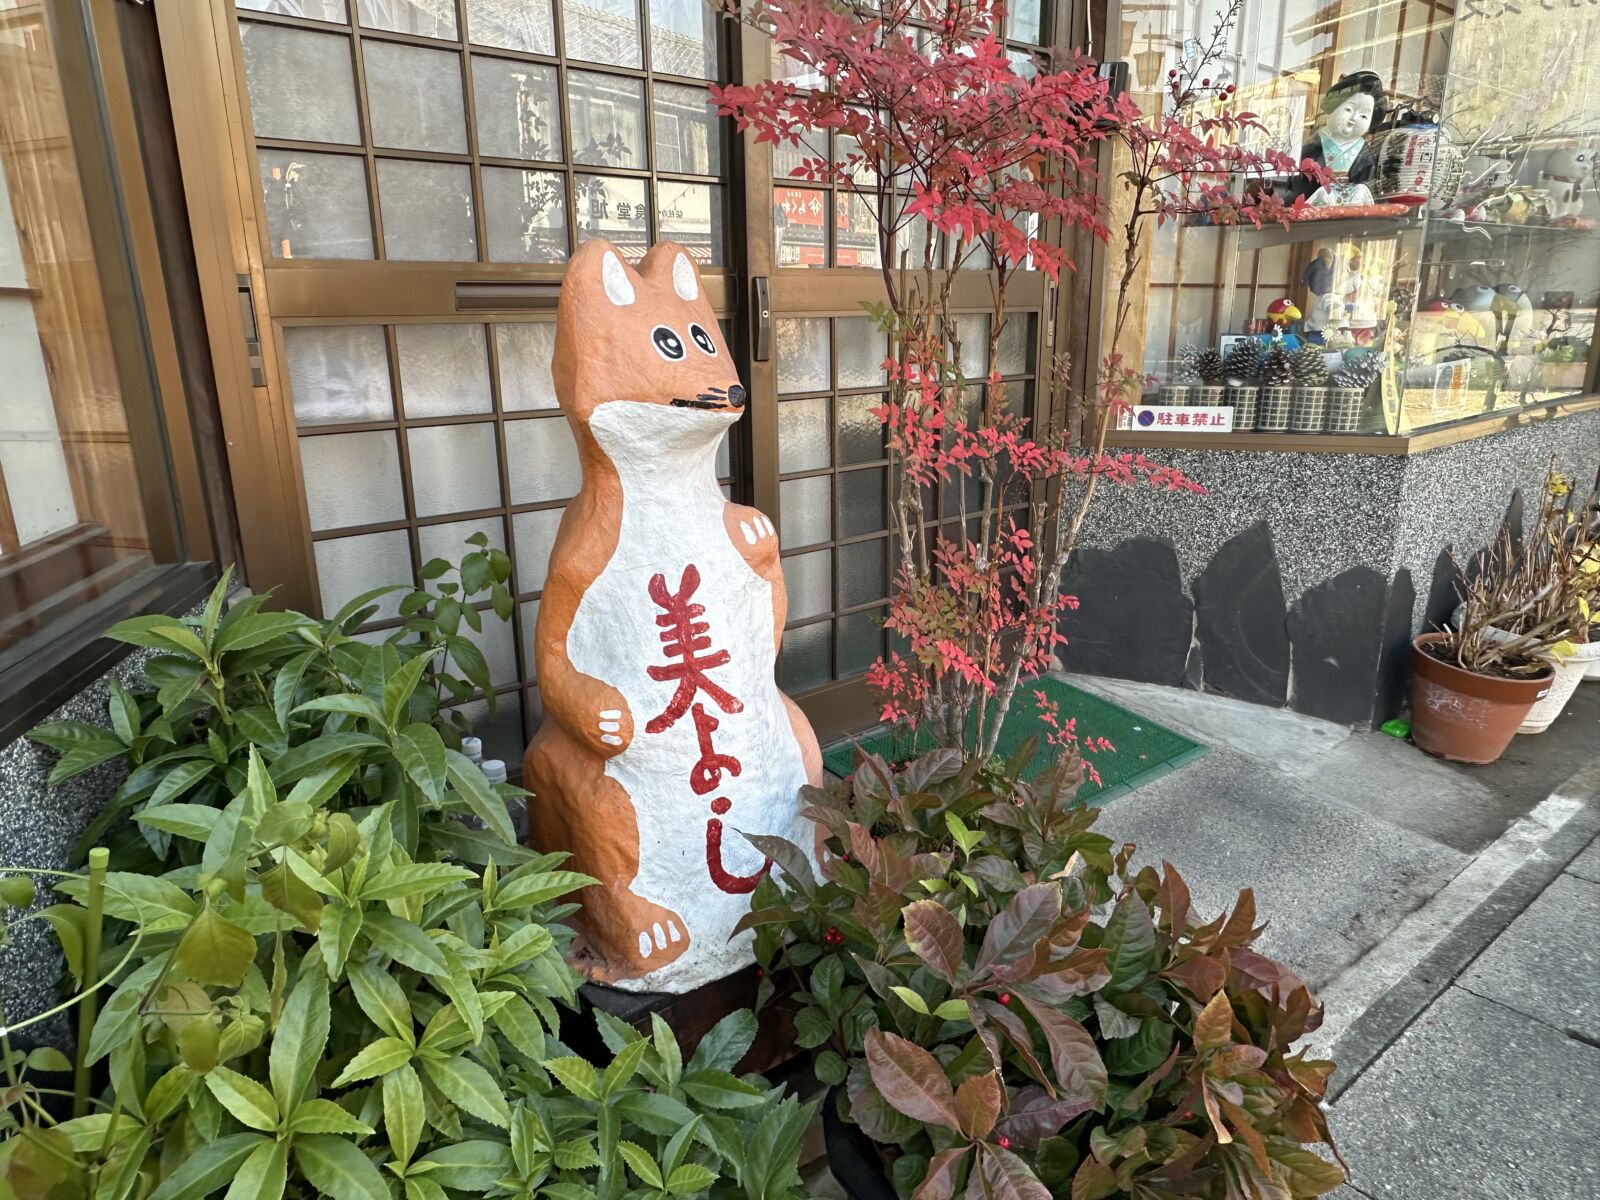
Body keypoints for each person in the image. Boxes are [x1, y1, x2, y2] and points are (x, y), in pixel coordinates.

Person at [1291, 71, 1388, 205]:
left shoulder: (1364, 153)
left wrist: (1363, 190)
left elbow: (1369, 180)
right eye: (1348, 109)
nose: (1353, 118)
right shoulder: (1315, 145)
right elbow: (1300, 181)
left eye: (1363, 116)